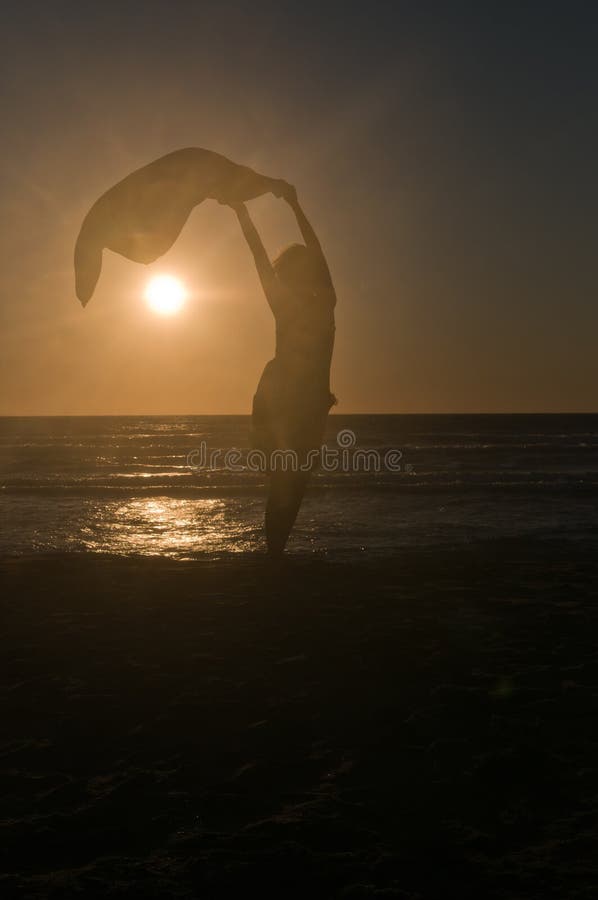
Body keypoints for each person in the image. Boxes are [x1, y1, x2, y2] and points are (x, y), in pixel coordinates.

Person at [229, 185, 337, 556]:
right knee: (288, 482)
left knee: (290, 482)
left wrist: (293, 205)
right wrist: (244, 214)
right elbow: (260, 257)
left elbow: (313, 255)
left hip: (303, 402)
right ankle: (274, 553)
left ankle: (275, 551)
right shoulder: (315, 306)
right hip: (290, 403)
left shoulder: (321, 304)